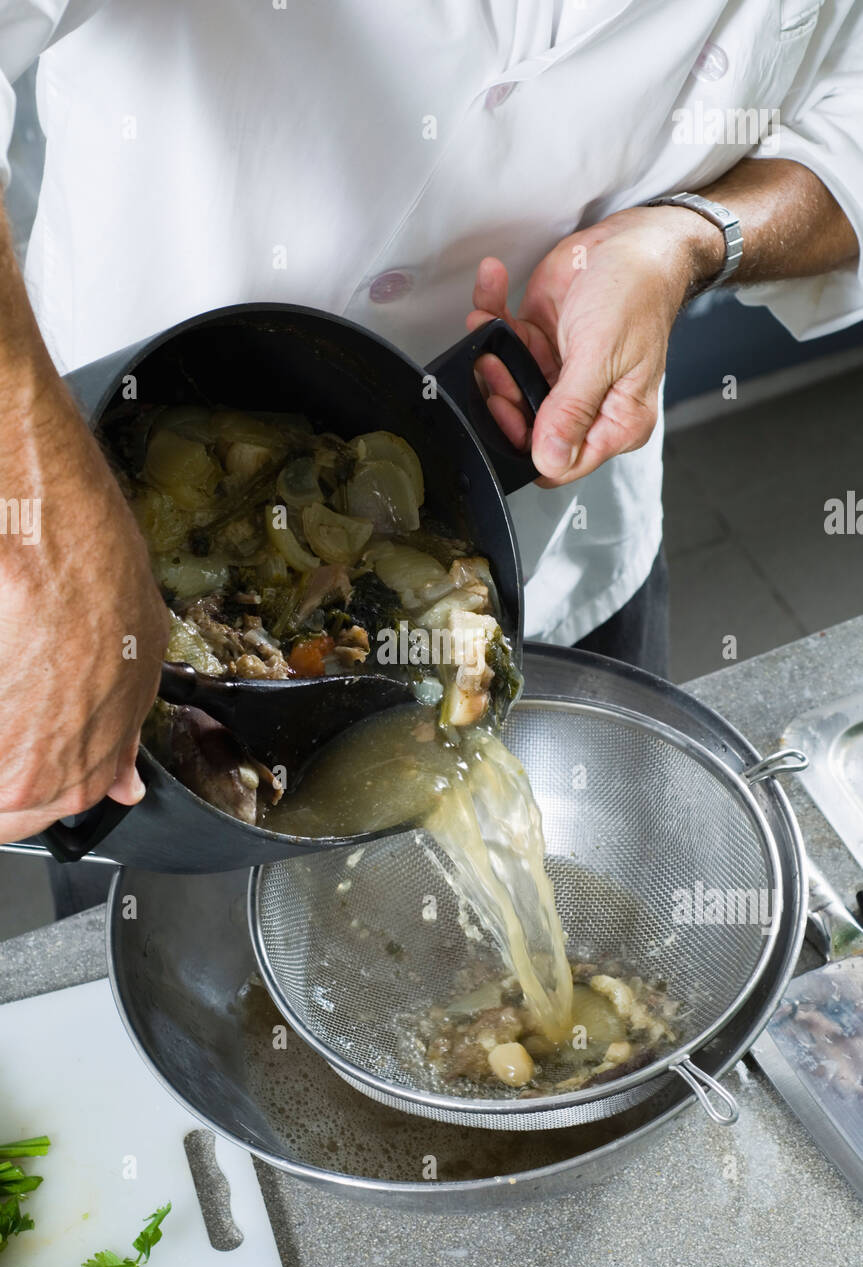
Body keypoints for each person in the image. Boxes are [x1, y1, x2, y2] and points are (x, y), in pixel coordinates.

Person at [0, 0, 861, 848]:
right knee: (161, 910)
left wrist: (685, 240)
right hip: (85, 515)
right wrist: (52, 553)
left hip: (544, 520)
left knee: (613, 843)